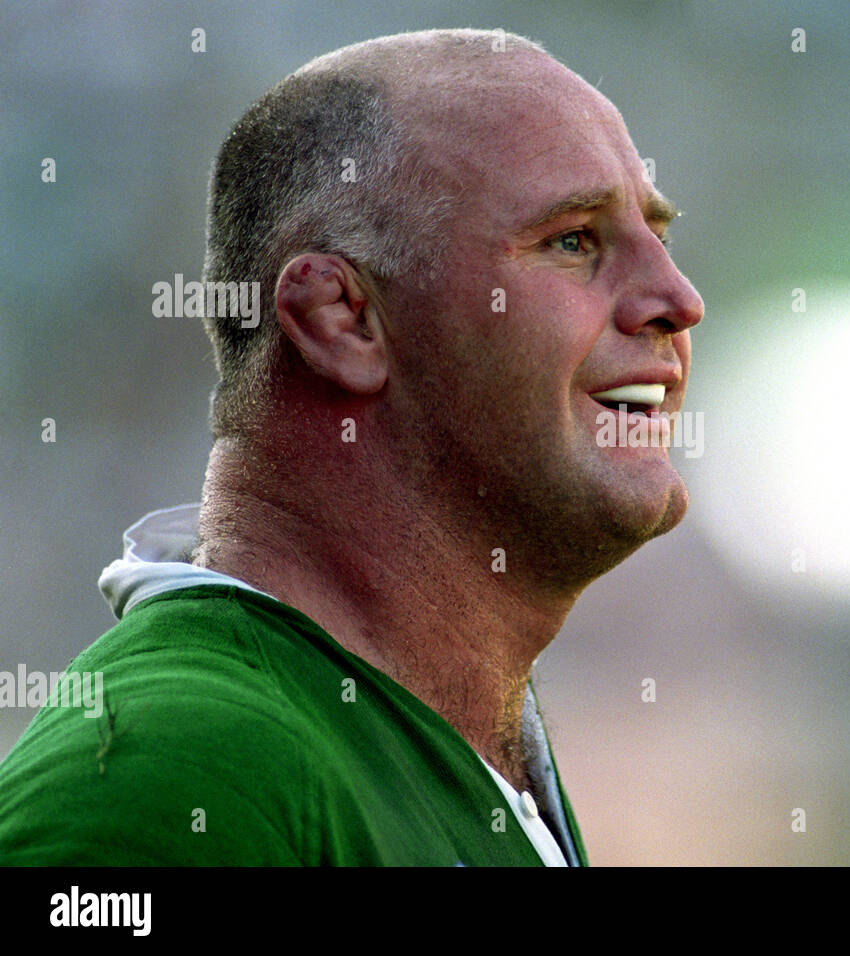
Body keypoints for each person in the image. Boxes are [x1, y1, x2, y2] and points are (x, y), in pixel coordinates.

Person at [0, 28, 703, 866]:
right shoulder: (171, 770)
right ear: (342, 320)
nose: (677, 298)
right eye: (573, 240)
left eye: (657, 235)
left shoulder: (426, 739)